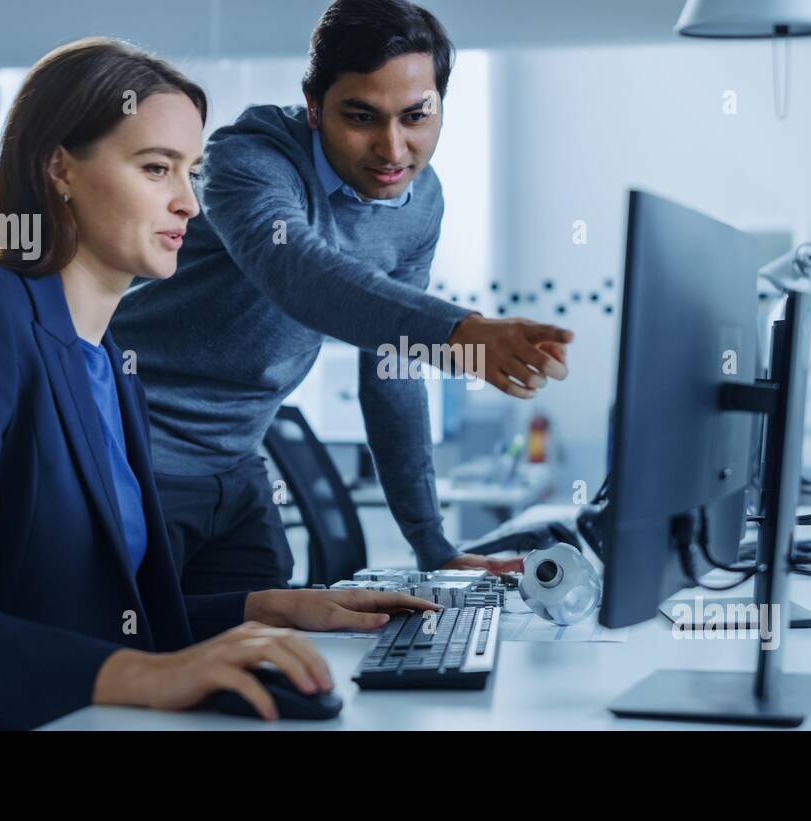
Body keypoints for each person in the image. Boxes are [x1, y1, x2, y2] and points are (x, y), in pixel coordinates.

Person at [0, 37, 434, 731]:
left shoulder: (113, 363)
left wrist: (267, 606)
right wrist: (152, 672)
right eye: (156, 169)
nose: (189, 204)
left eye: (192, 172)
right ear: (59, 167)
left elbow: (84, 614)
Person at [111, 0, 574, 595]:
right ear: (313, 106)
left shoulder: (421, 204)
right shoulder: (247, 160)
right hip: (131, 453)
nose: (392, 149)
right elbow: (297, 272)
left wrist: (432, 543)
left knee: (270, 658)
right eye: (362, 117)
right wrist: (459, 332)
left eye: (415, 117)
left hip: (238, 466)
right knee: (137, 659)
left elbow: (391, 367)